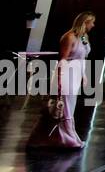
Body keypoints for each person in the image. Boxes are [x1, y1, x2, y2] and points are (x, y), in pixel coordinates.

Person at [28, 11, 95, 150]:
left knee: (69, 106)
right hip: (66, 74)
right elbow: (63, 59)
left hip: (75, 75)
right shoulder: (69, 37)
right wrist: (59, 81)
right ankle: (67, 138)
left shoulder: (84, 37)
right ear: (85, 22)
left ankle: (57, 137)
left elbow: (82, 59)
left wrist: (83, 75)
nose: (93, 25)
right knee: (64, 106)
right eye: (91, 22)